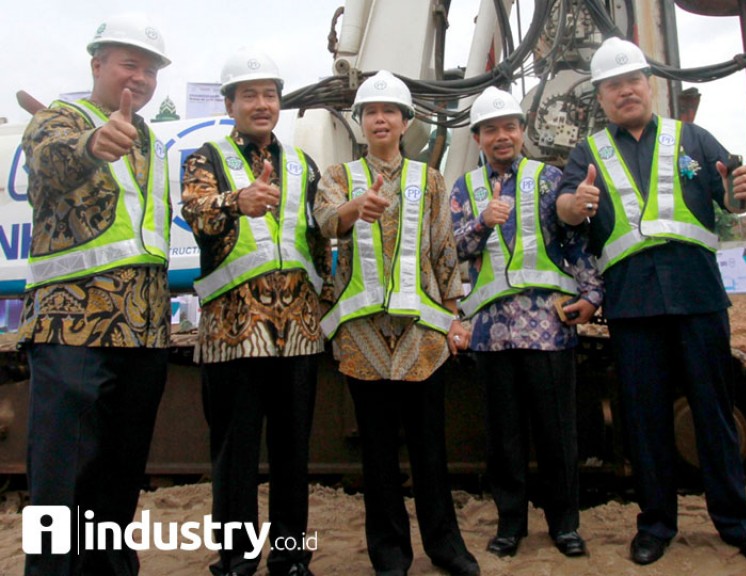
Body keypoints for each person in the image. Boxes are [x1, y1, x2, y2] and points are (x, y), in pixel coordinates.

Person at [556, 37, 746, 567]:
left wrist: (740, 195)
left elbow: (733, 200)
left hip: (697, 296)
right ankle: (655, 525)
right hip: (632, 305)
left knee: (714, 413)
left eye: (632, 81)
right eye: (613, 85)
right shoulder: (587, 153)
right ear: (601, 96)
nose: (625, 91)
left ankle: (738, 525)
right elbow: (566, 209)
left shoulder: (693, 139)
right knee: (646, 419)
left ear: (648, 86)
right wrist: (575, 203)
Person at [18, 14, 172, 576]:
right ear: (97, 65)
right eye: (130, 63)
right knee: (59, 484)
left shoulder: (150, 139)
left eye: (151, 69)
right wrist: (90, 143)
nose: (142, 77)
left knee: (118, 484)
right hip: (72, 328)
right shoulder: (59, 118)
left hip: (143, 330)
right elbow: (50, 159)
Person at [314, 70, 478, 576]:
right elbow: (322, 224)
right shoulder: (337, 179)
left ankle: (446, 548)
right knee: (378, 456)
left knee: (431, 451)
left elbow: (443, 249)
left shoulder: (428, 181)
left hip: (422, 338)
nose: (379, 119)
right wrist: (350, 210)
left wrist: (454, 316)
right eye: (370, 112)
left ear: (406, 122)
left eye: (389, 111)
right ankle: (390, 555)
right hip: (362, 337)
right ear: (360, 122)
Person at [180, 48, 328, 576]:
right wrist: (234, 201)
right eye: (249, 95)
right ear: (229, 103)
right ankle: (237, 561)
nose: (261, 104)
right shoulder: (206, 157)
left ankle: (291, 561)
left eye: (269, 94)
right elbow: (194, 213)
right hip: (233, 331)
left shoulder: (303, 165)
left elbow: (318, 236)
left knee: (293, 455)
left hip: (298, 333)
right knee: (235, 455)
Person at [449, 86, 601, 559]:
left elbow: (574, 240)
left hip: (547, 329)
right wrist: (482, 223)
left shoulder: (550, 178)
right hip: (492, 333)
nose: (502, 136)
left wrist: (592, 295)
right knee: (504, 438)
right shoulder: (464, 189)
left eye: (510, 127)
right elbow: (450, 251)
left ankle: (564, 525)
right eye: (491, 129)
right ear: (477, 137)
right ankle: (510, 525)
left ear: (521, 131)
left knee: (557, 433)